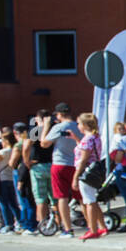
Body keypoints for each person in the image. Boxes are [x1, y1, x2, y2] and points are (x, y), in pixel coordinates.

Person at [41, 102, 81, 238]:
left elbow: (44, 144)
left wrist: (46, 126)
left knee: (61, 197)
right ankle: (92, 227)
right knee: (81, 198)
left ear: (59, 115)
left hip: (59, 164)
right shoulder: (79, 126)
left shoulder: (59, 127)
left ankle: (68, 229)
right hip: (76, 164)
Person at [72, 112, 107, 241]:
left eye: (79, 123)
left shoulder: (87, 139)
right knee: (92, 199)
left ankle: (93, 229)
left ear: (85, 125)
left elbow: (83, 159)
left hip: (86, 173)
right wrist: (76, 140)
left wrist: (75, 177)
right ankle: (102, 226)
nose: (78, 126)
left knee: (89, 202)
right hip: (94, 172)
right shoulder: (95, 137)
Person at [27, 110, 54, 232]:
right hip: (53, 164)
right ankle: (59, 224)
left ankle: (43, 226)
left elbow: (27, 146)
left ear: (38, 118)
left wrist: (26, 161)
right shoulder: (54, 129)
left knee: (40, 198)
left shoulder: (35, 131)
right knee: (56, 198)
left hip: (38, 166)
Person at [0, 126, 21, 234]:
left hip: (2, 179)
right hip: (10, 179)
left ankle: (8, 224)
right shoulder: (14, 149)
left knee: (3, 203)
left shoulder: (3, 152)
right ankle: (20, 222)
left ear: (6, 141)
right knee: (13, 203)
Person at [11, 123, 37, 234]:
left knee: (24, 200)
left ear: (15, 132)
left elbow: (12, 163)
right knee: (30, 199)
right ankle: (29, 224)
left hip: (21, 171)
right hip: (32, 170)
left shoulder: (20, 144)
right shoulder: (33, 141)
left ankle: (27, 225)